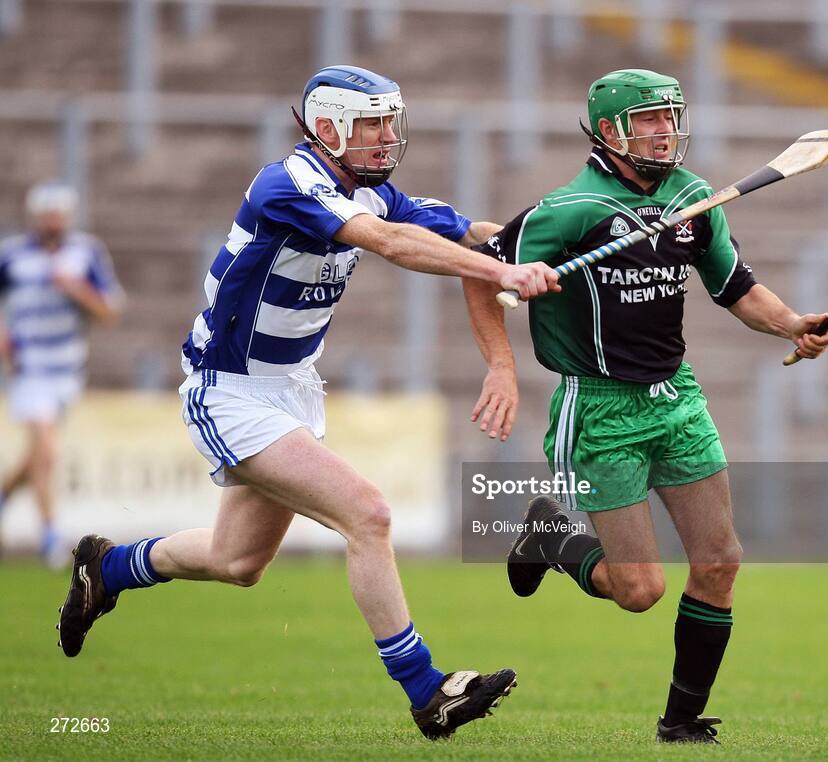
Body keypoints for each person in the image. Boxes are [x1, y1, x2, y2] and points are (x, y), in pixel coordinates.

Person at [56, 65, 559, 739]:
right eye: (371, 124)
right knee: (369, 515)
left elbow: (467, 232)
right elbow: (390, 243)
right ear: (327, 130)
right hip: (230, 391)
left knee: (239, 562)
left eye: (390, 122)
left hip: (292, 390)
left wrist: (552, 239)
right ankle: (427, 692)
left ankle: (108, 567)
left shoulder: (371, 192)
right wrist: (502, 273)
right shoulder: (288, 183)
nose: (386, 137)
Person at [463, 68, 828, 744]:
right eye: (649, 120)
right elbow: (478, 267)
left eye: (672, 117)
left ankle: (682, 721)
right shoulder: (568, 209)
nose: (665, 131)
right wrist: (501, 363)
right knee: (638, 592)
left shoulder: (696, 199)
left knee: (720, 562)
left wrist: (792, 324)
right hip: (601, 409)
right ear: (609, 132)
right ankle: (551, 537)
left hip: (677, 398)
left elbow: (737, 287)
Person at [0, 182, 123, 561]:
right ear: (36, 217)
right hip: (28, 366)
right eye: (46, 214)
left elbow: (109, 311)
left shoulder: (85, 253)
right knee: (47, 448)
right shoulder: (12, 255)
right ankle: (51, 536)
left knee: (39, 453)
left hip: (67, 368)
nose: (53, 221)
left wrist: (77, 290)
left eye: (59, 214)